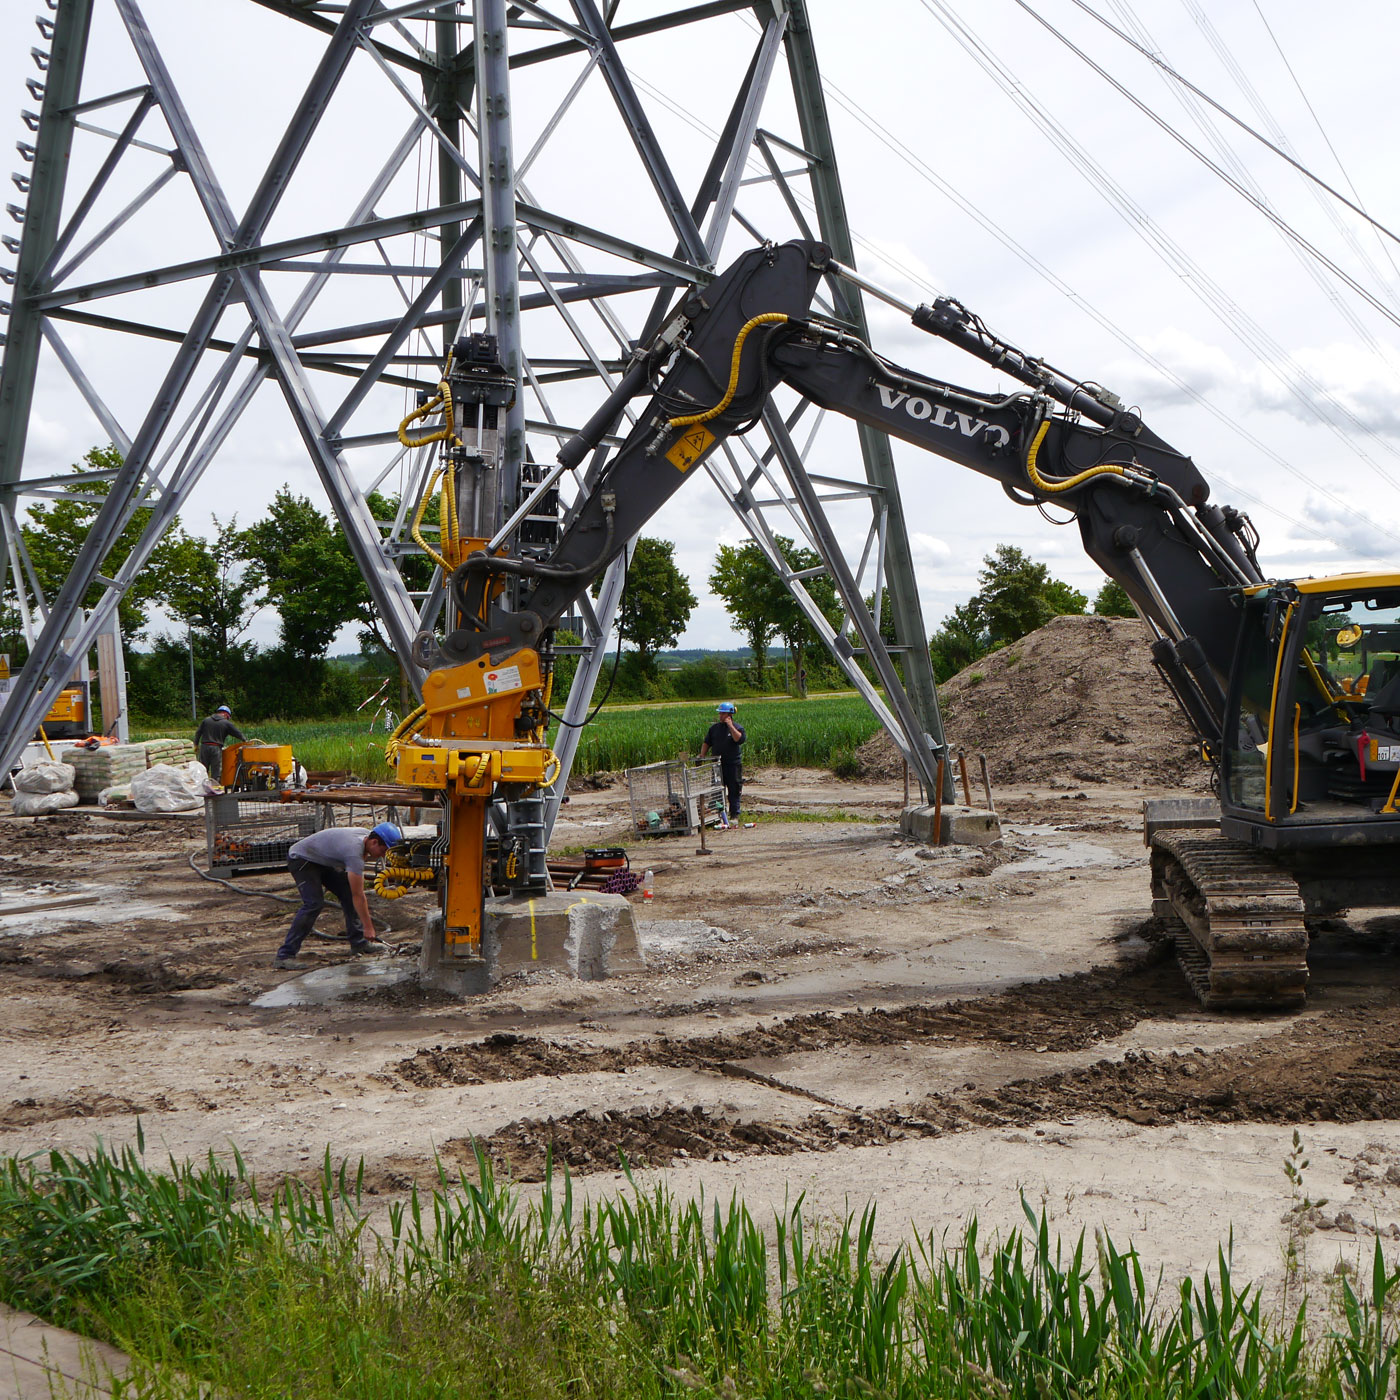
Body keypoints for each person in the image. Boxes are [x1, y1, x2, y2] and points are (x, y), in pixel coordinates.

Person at [273, 822, 401, 970]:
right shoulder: (353, 852)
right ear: (374, 841)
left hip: (321, 859)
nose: (384, 855)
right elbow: (358, 895)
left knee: (347, 892)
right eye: (383, 850)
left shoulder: (366, 837)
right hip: (302, 859)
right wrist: (368, 927)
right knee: (313, 903)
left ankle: (358, 944)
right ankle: (285, 955)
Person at [700, 701, 746, 824]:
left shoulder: (738, 728)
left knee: (734, 789)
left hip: (733, 765)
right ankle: (718, 815)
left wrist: (730, 726)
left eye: (723, 713)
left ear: (729, 714)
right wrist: (702, 754)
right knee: (717, 790)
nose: (720, 716)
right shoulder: (714, 729)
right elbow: (707, 742)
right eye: (720, 713)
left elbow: (739, 739)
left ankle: (734, 815)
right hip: (717, 765)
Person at [195, 704, 244, 780]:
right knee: (216, 771)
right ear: (226, 714)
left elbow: (198, 732)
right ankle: (215, 789)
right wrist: (245, 740)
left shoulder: (206, 720)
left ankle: (201, 787)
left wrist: (196, 744)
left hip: (204, 747)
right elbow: (237, 733)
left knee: (203, 770)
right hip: (216, 748)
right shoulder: (226, 723)